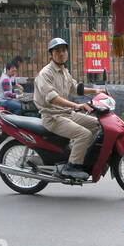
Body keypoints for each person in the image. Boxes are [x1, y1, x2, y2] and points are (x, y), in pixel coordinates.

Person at [34, 37, 99, 181]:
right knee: (84, 134)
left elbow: (76, 89)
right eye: (57, 51)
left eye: (63, 50)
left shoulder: (64, 72)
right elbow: (52, 98)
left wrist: (97, 91)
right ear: (51, 54)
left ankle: (80, 155)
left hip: (66, 114)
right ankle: (72, 166)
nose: (61, 53)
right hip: (53, 117)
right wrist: (76, 105)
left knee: (97, 125)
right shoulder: (46, 73)